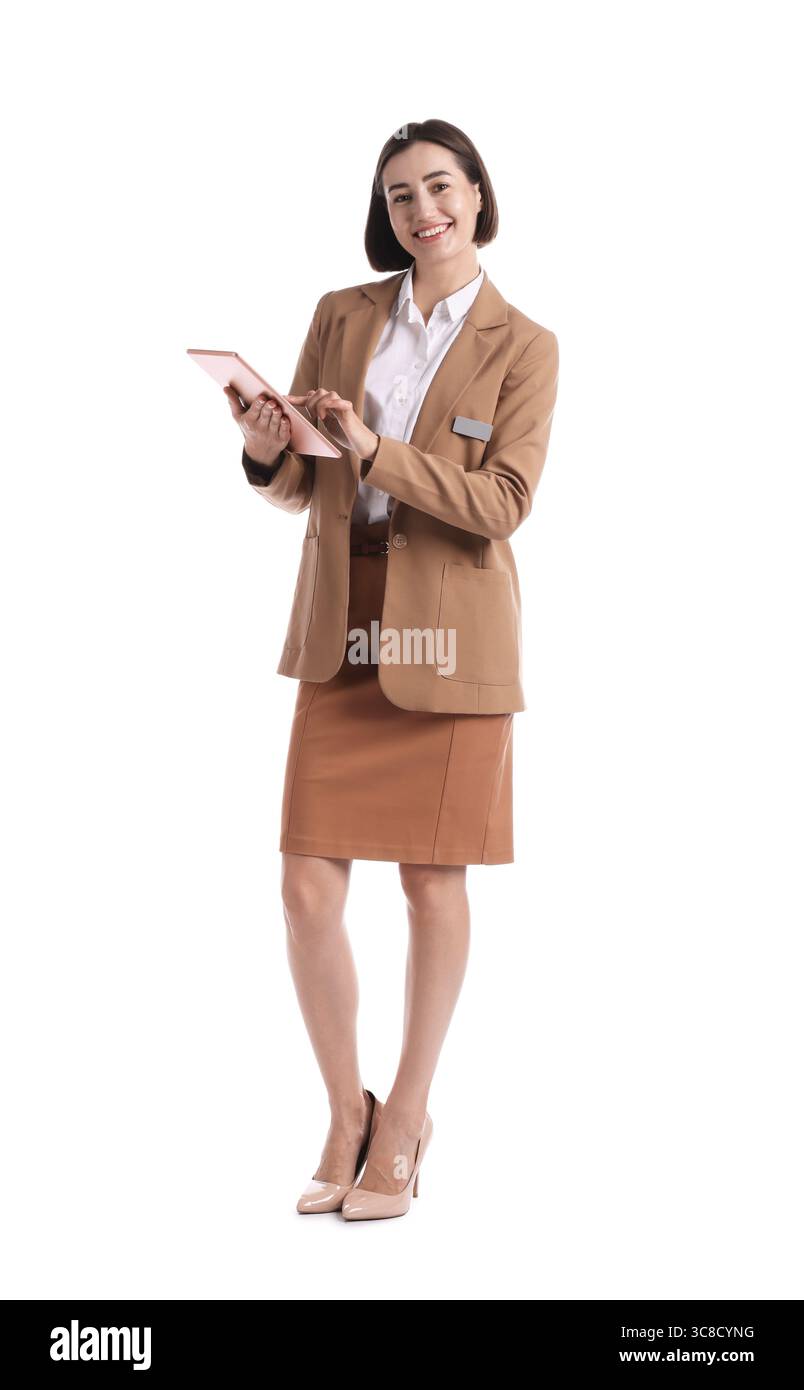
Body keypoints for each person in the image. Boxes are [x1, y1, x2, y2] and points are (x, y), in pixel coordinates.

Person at [224, 118, 559, 1221]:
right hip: (343, 619)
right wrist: (271, 442)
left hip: (451, 638)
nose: (424, 211)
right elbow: (302, 489)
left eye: (441, 187)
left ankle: (408, 1114)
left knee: (429, 882)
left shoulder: (525, 344)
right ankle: (344, 1109)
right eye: (402, 195)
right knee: (305, 884)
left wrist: (381, 452)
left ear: (476, 194)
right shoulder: (344, 314)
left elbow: (502, 504)